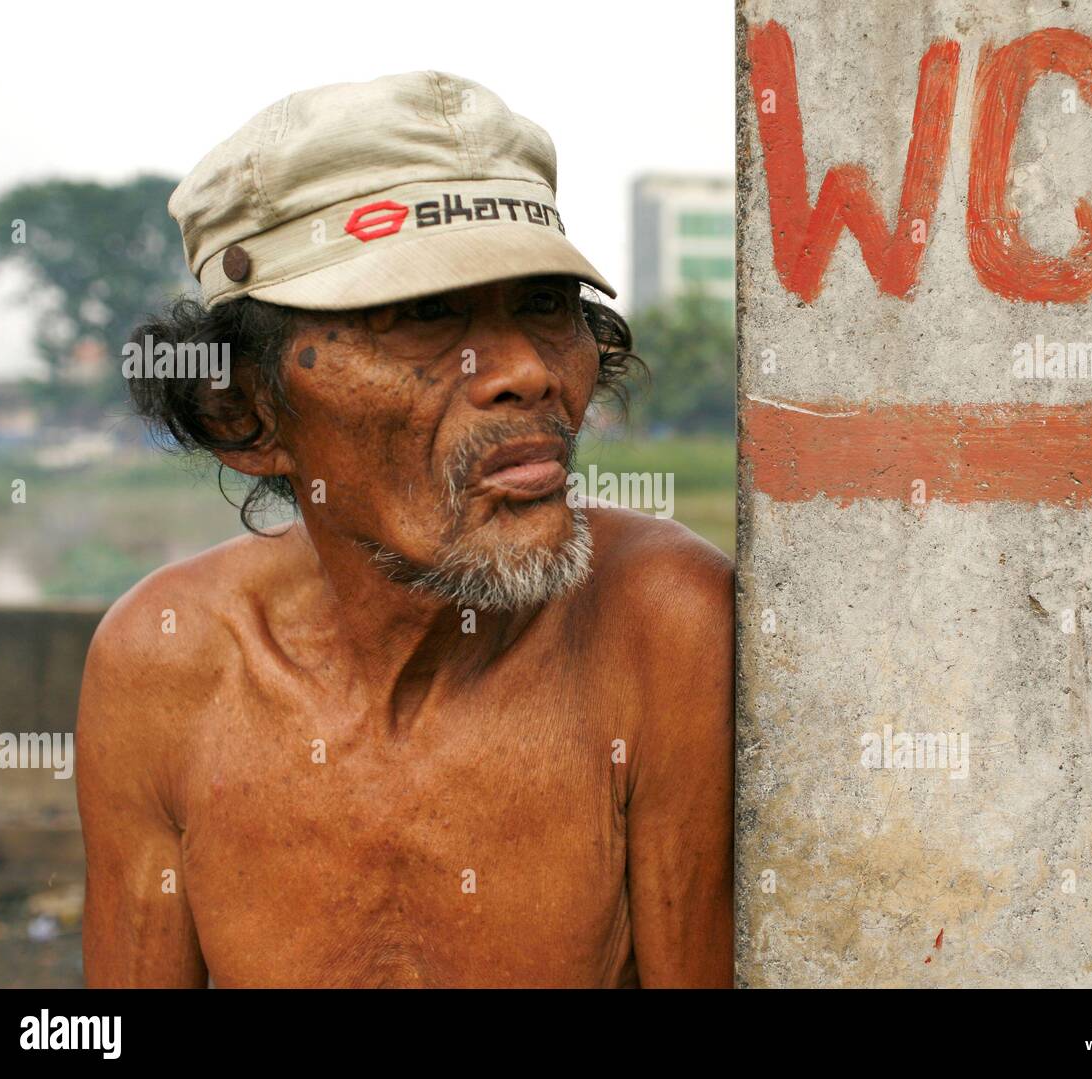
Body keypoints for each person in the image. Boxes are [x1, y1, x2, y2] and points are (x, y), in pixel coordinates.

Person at [75, 71, 733, 988]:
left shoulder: (662, 625)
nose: (528, 372)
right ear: (247, 414)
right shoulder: (161, 663)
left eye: (545, 304)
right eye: (425, 314)